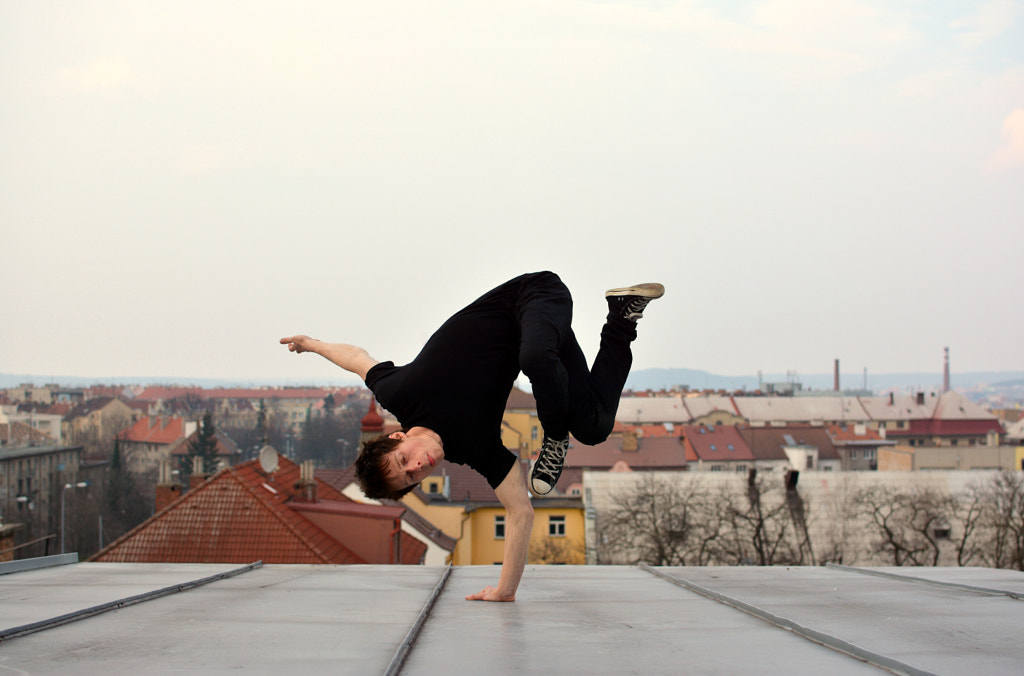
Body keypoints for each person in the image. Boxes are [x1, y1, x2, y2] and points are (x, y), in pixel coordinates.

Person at [280, 271, 662, 601]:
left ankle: (556, 438)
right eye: (411, 477)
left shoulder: (400, 393)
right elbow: (520, 513)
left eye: (404, 460)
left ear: (396, 438)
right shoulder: (475, 448)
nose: (418, 466)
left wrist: (311, 344)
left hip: (535, 295)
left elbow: (356, 358)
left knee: (534, 359)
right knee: (593, 428)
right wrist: (505, 589)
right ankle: (622, 317)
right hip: (546, 338)